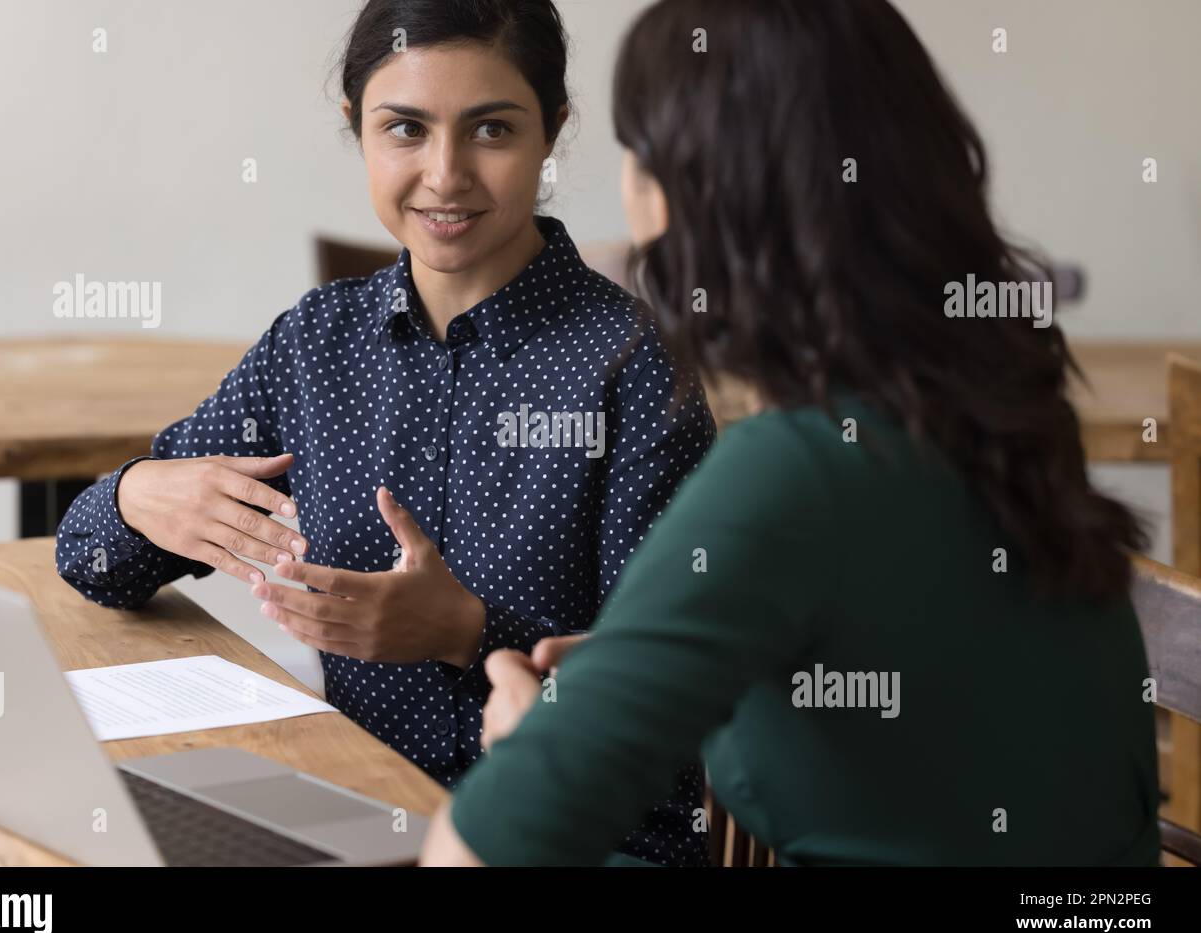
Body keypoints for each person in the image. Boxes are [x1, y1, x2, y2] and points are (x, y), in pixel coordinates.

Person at [421, 0, 1161, 866]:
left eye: (635, 148)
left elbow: (471, 854)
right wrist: (672, 658)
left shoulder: (790, 469)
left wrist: (526, 745)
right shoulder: (1002, 411)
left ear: (684, 195)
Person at [56, 0, 715, 867]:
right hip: (365, 818)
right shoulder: (316, 342)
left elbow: (675, 700)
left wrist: (466, 632)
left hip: (584, 842)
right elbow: (90, 562)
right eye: (405, 129)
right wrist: (136, 494)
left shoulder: (637, 368)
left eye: (491, 130)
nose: (445, 175)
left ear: (551, 130)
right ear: (357, 130)